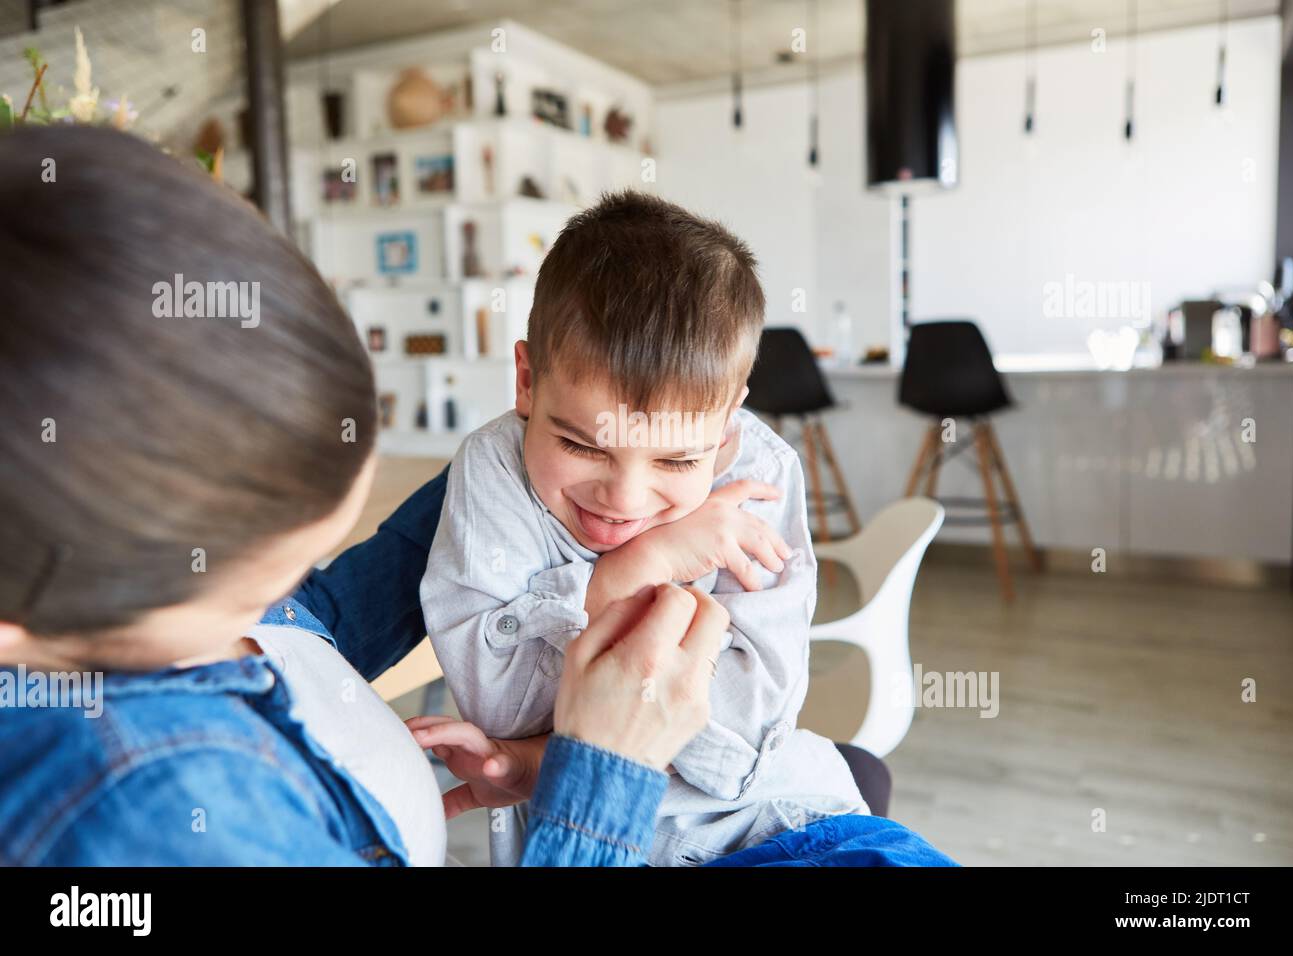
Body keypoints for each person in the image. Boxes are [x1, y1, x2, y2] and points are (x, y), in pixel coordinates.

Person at [0, 126, 721, 866]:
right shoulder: (156, 820)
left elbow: (317, 624)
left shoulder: (137, 600)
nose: (263, 619)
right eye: (239, 596)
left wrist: (589, 457)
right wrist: (604, 775)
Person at [420, 191, 868, 867]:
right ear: (526, 382)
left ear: (727, 425)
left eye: (678, 459)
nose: (623, 499)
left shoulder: (762, 468)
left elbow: (742, 752)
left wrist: (555, 739)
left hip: (787, 826)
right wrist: (637, 568)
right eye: (582, 445)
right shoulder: (494, 467)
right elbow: (502, 706)